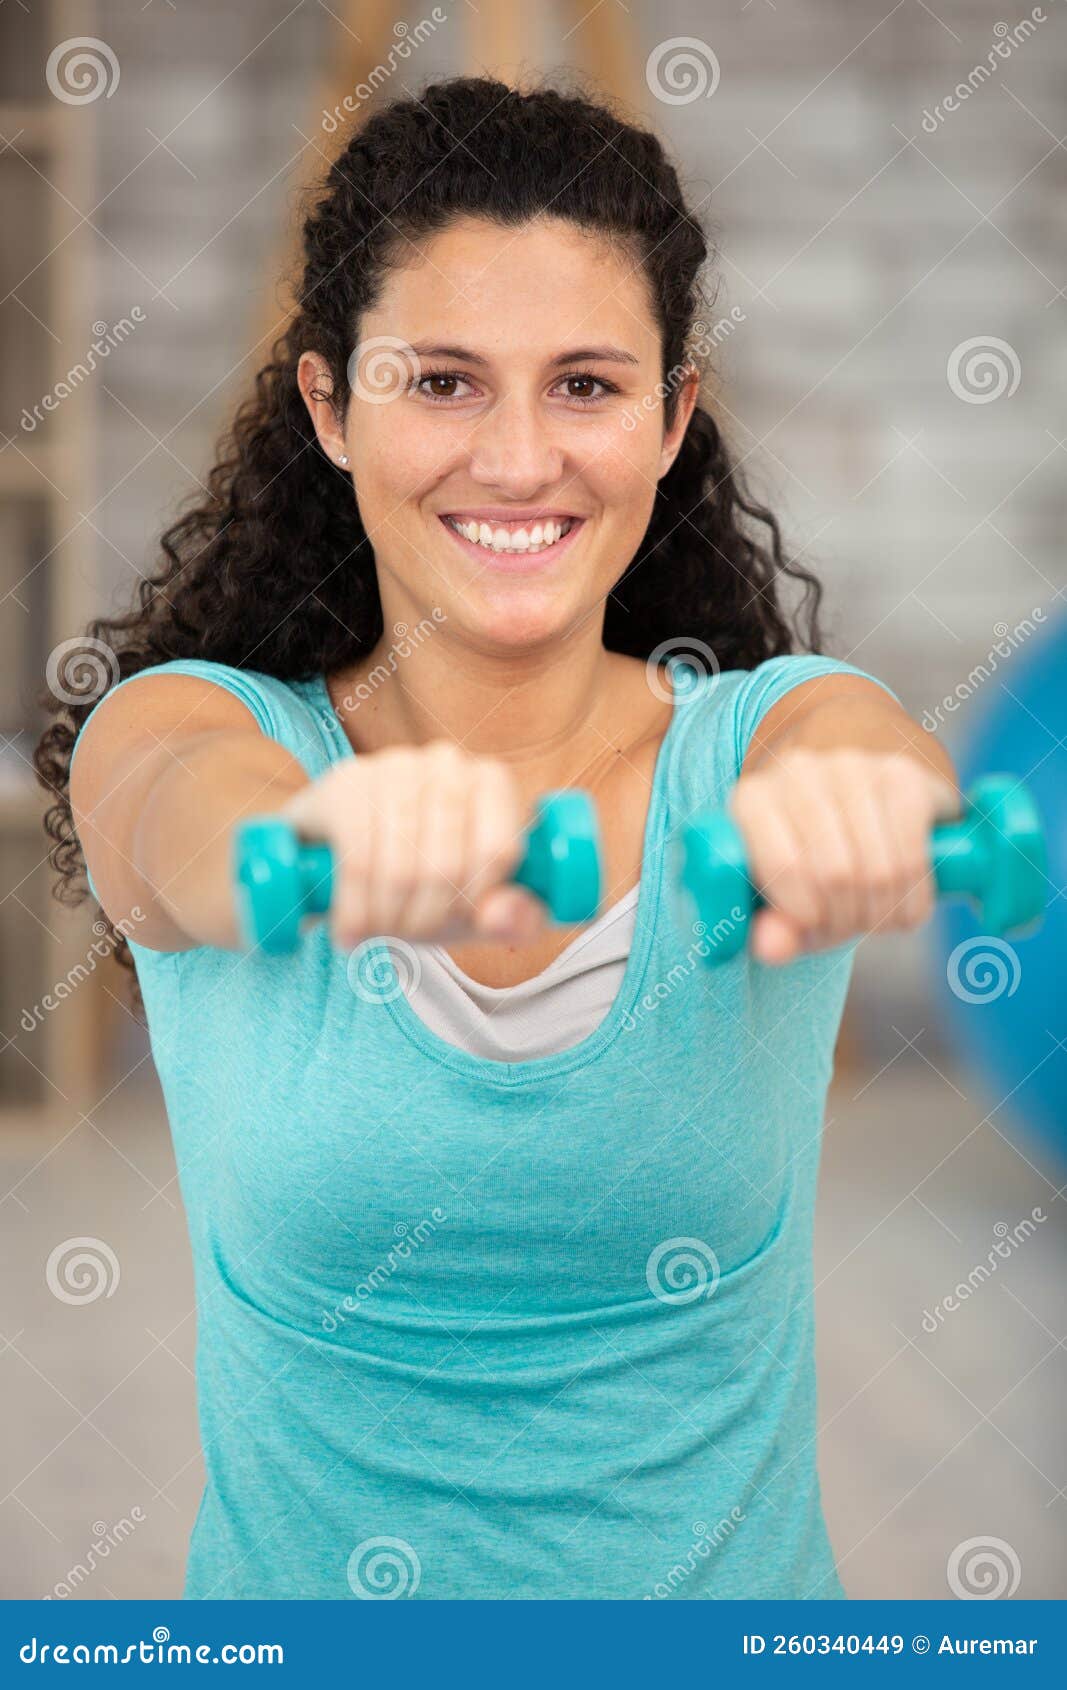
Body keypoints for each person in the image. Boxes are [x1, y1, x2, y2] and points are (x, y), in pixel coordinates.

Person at [38, 77, 957, 1600]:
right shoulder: (195, 731)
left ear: (672, 419)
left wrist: (867, 810)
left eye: (586, 385)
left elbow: (868, 753)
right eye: (445, 382)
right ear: (331, 407)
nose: (521, 460)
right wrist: (315, 835)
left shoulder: (762, 738)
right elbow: (173, 810)